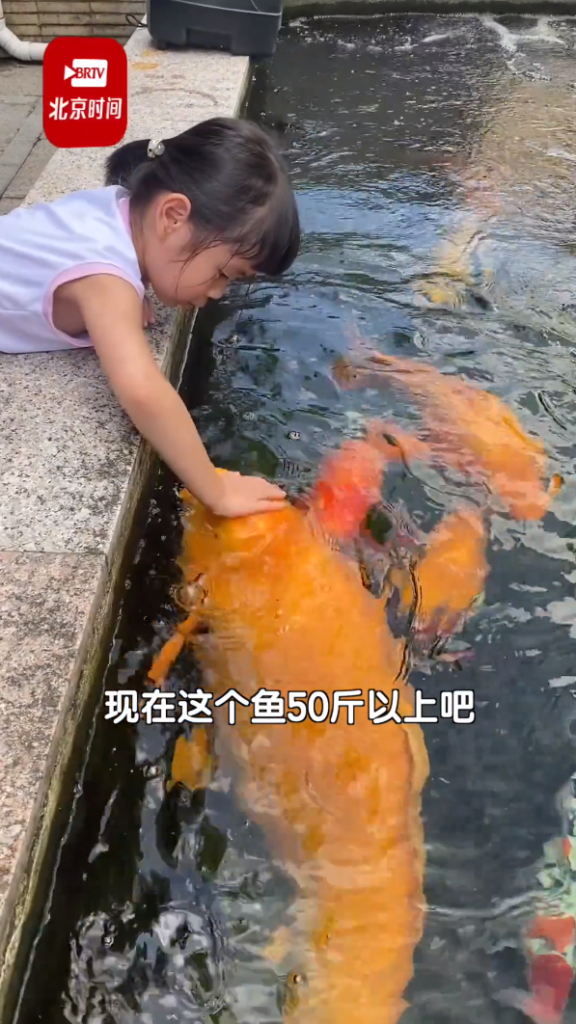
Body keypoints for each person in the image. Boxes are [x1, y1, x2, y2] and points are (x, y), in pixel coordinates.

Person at [0, 117, 301, 517]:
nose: (217, 293)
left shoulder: (117, 209)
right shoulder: (106, 282)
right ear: (173, 216)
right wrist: (215, 489)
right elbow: (142, 391)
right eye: (224, 274)